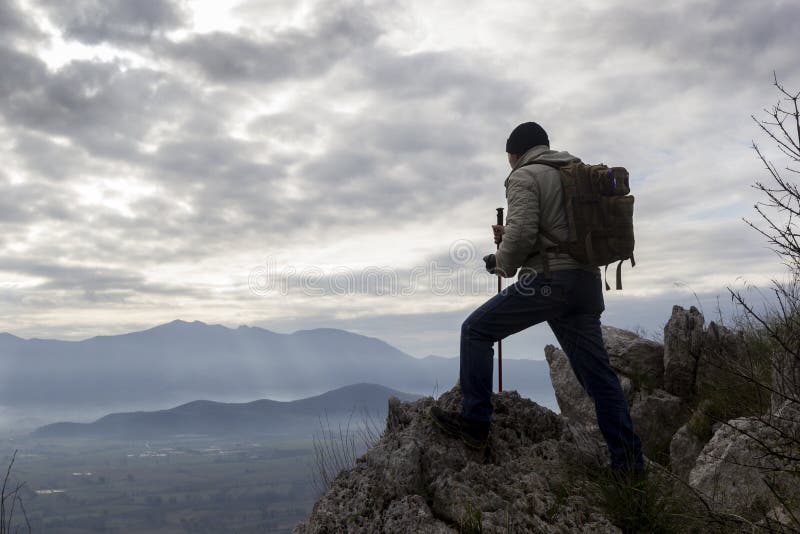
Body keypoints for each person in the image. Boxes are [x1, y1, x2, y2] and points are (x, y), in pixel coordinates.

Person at [429, 122, 644, 472]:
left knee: (475, 331)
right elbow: (546, 229)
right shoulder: (571, 170)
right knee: (599, 379)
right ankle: (630, 466)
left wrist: (501, 263)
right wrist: (514, 234)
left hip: (549, 284)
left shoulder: (524, 176)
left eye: (508, 157)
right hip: (585, 284)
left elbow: (524, 233)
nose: (509, 164)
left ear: (516, 152)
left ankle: (474, 426)